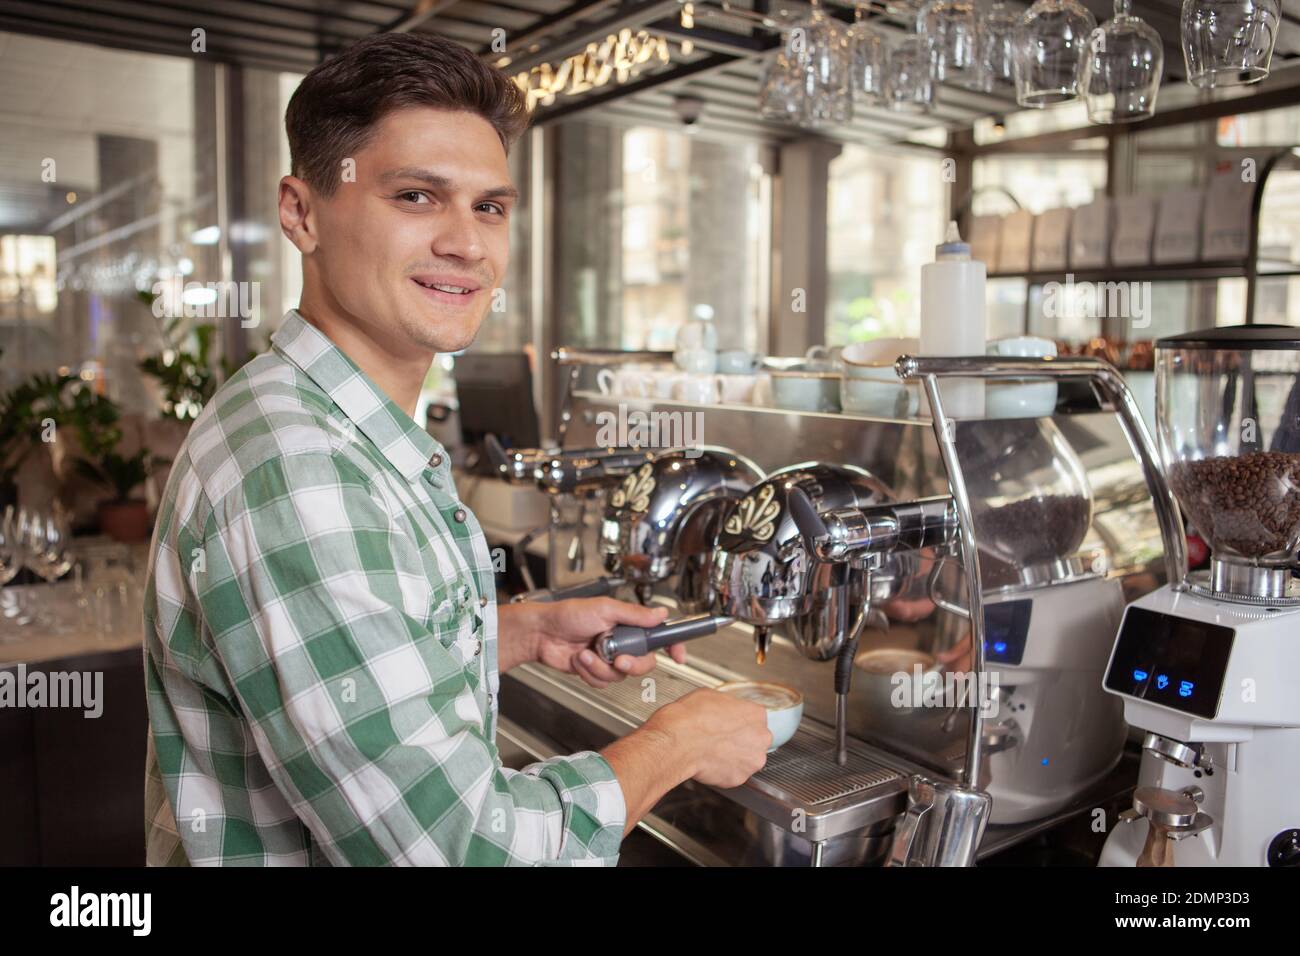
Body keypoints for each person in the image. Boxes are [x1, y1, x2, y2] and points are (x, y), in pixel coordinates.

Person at [142, 31, 771, 866]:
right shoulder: (299, 468)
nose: (467, 244)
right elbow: (461, 848)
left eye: (489, 206)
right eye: (415, 196)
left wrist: (512, 633)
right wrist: (679, 744)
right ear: (302, 213)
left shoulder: (331, 422)